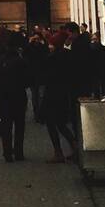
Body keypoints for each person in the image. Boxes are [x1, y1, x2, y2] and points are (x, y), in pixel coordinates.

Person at [42, 32, 77, 162]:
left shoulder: (51, 58)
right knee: (61, 123)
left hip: (52, 93)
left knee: (51, 123)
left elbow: (45, 75)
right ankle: (75, 147)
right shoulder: (69, 56)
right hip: (64, 93)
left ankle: (58, 152)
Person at [0, 31, 29, 162]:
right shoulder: (21, 62)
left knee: (6, 125)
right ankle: (19, 152)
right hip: (19, 95)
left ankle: (7, 152)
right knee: (20, 124)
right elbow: (27, 79)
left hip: (3, 97)